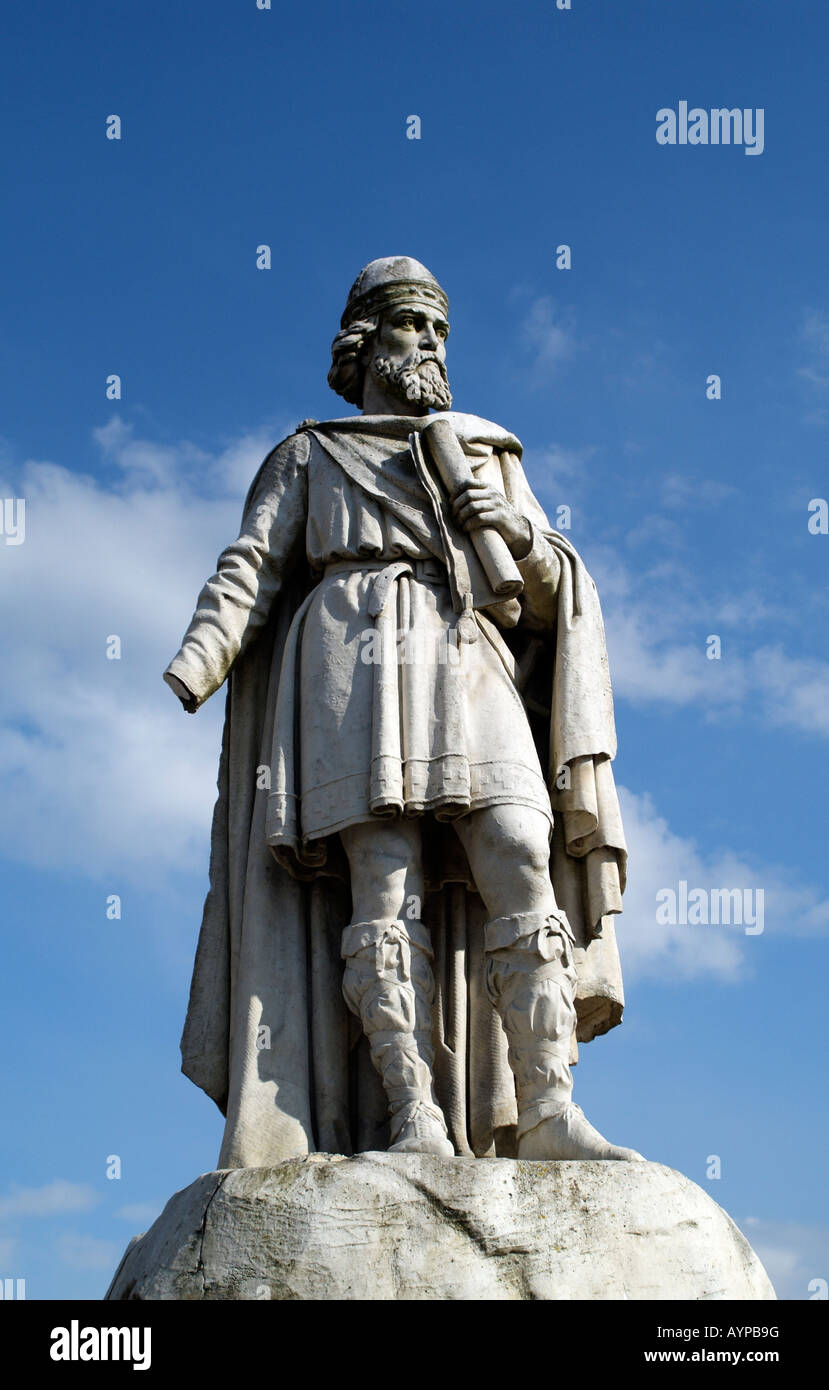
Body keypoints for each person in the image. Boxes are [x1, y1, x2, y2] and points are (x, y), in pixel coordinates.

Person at [164, 256, 643, 1166]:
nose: (427, 342)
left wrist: (515, 533)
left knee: (516, 850)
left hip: (464, 652)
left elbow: (547, 593)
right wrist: (201, 655)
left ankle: (544, 1111)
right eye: (409, 323)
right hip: (347, 659)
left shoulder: (488, 450)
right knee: (382, 887)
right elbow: (253, 566)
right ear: (364, 341)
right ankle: (412, 1111)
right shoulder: (309, 453)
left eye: (437, 328)